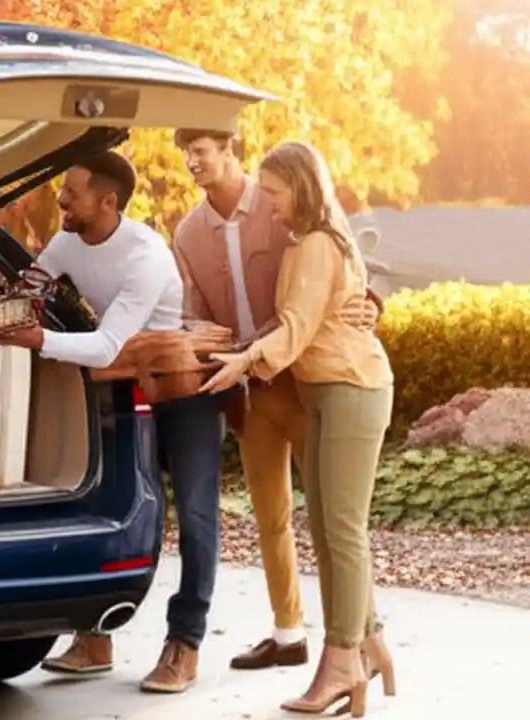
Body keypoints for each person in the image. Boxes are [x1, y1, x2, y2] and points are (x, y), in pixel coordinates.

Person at [4, 150, 224, 695]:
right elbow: (26, 291)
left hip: (180, 390)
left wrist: (37, 340)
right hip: (122, 387)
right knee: (106, 505)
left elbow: (105, 346)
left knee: (195, 515)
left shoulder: (143, 257)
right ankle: (95, 636)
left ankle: (185, 643)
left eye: (71, 193)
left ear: (107, 202)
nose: (60, 201)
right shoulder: (66, 240)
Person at [201, 140, 396, 717]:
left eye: (277, 194)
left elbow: (297, 326)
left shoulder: (315, 244)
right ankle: (368, 644)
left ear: (302, 187)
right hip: (331, 390)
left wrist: (244, 361)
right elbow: (320, 311)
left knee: (342, 531)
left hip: (349, 389)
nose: (270, 205)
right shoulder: (315, 240)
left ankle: (342, 663)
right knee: (333, 532)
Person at [170, 127, 312, 670]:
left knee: (330, 517)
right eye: (185, 153)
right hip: (251, 393)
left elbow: (331, 263)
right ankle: (289, 633)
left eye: (200, 151)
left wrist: (367, 300)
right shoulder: (188, 233)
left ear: (231, 151)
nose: (191, 162)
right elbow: (199, 314)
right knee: (269, 515)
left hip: (303, 379)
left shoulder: (280, 204)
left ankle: (354, 639)